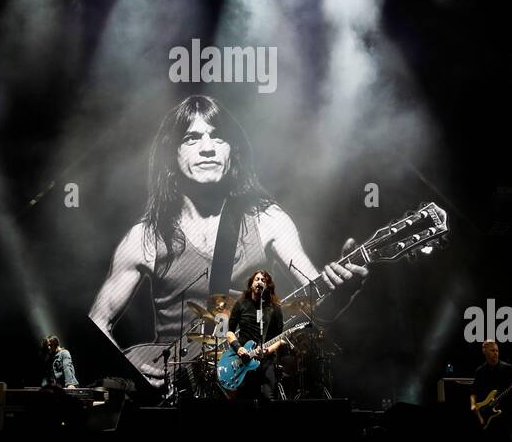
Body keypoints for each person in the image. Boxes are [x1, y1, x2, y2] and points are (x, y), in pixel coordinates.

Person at [88, 94, 368, 386]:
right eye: (192, 138)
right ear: (172, 154)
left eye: (217, 137)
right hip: (174, 402)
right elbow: (97, 322)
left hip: (245, 391)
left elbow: (316, 303)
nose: (207, 148)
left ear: (232, 151)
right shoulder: (145, 238)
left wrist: (342, 290)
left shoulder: (268, 221)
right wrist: (130, 376)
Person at [224, 270, 288, 400]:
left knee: (267, 397)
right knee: (244, 398)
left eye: (263, 280)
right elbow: (230, 332)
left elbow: (279, 337)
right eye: (257, 279)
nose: (259, 282)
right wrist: (238, 348)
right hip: (244, 360)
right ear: (251, 284)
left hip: (266, 361)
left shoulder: (274, 308)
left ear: (267, 285)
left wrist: (267, 350)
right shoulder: (241, 304)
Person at [470, 341, 512, 438]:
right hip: (488, 416)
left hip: (507, 417)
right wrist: (473, 405)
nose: (495, 353)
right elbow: (473, 392)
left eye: (497, 350)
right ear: (484, 351)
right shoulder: (480, 371)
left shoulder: (508, 368)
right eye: (492, 350)